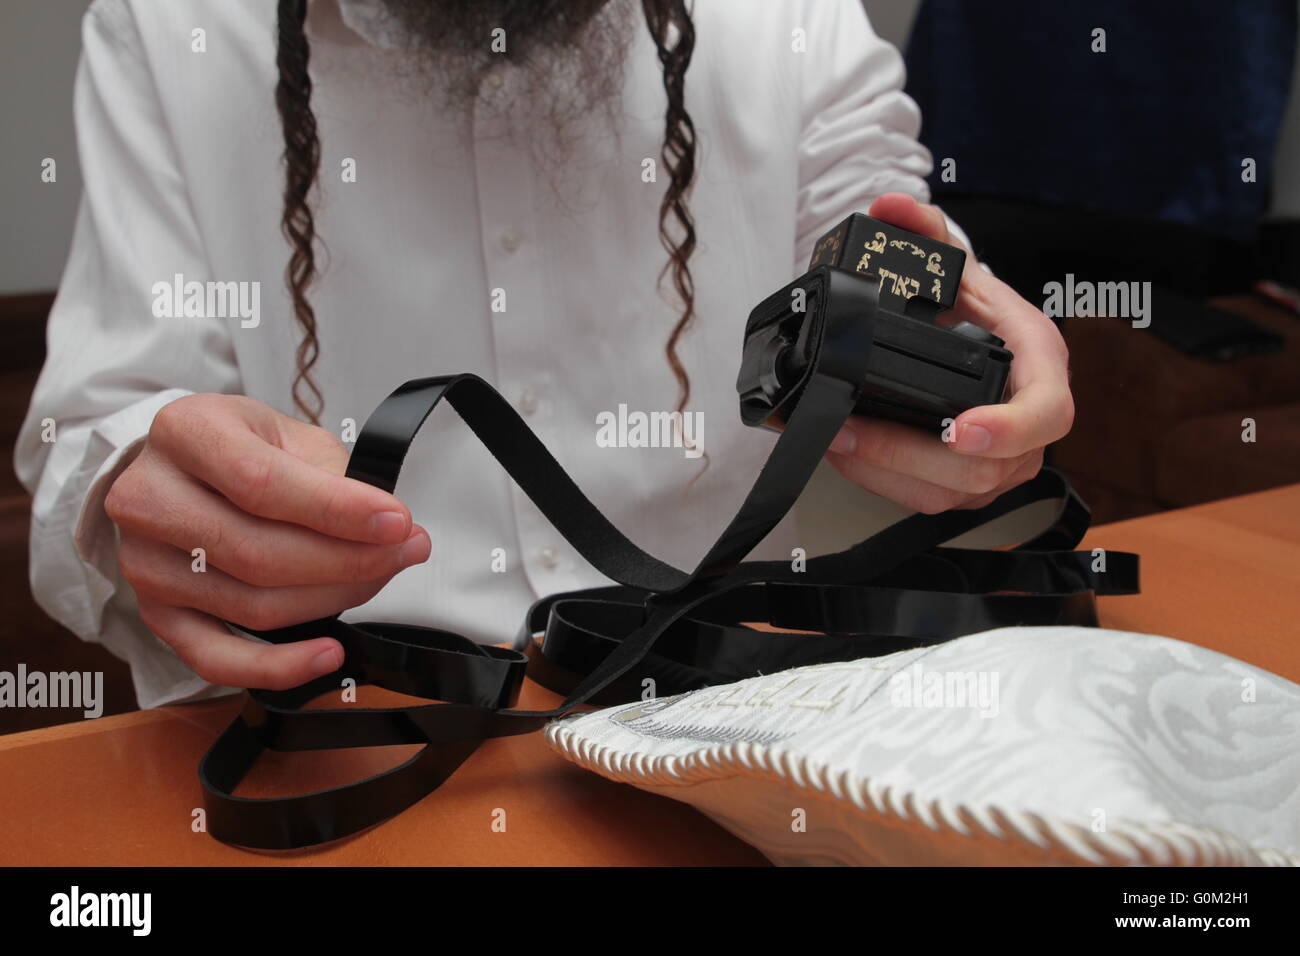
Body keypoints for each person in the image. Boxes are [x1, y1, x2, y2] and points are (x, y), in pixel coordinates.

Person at [14, 0, 1072, 710]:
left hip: (735, 714)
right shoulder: (169, 25)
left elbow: (870, 216)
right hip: (346, 721)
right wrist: (133, 491)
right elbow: (102, 427)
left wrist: (933, 355)